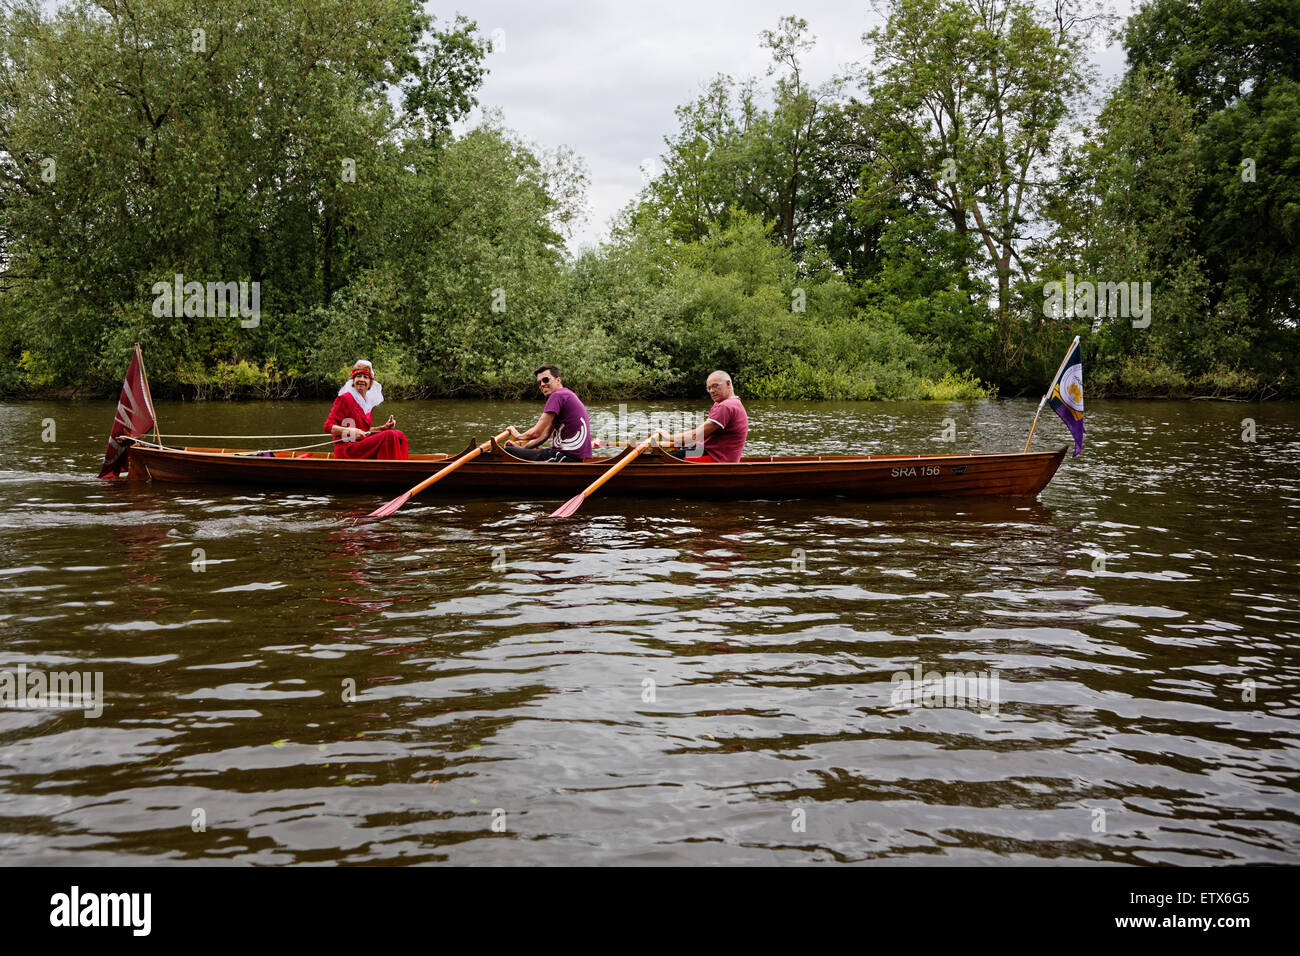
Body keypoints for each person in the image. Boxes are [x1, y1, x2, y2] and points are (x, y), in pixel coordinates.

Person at [654, 370, 748, 462]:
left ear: (728, 384)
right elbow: (703, 436)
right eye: (709, 388)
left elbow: (696, 435)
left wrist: (668, 436)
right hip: (710, 453)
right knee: (666, 454)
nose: (712, 391)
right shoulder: (730, 403)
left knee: (658, 460)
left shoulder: (726, 406)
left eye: (715, 386)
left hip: (715, 459)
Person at [323, 360, 410, 460]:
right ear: (353, 380)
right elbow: (328, 427)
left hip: (361, 447)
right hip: (347, 450)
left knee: (398, 435)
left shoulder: (367, 403)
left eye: (365, 377)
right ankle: (390, 470)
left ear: (370, 383)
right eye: (358, 376)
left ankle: (400, 466)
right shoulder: (345, 398)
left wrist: (383, 428)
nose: (361, 380)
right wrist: (350, 431)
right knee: (389, 435)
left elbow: (364, 431)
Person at [504, 364, 593, 462]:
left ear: (558, 380)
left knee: (508, 451)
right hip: (570, 458)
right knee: (514, 451)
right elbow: (544, 435)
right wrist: (522, 449)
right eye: (539, 382)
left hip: (564, 458)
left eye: (546, 380)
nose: (542, 384)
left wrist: (517, 435)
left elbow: (536, 432)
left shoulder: (557, 396)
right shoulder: (566, 394)